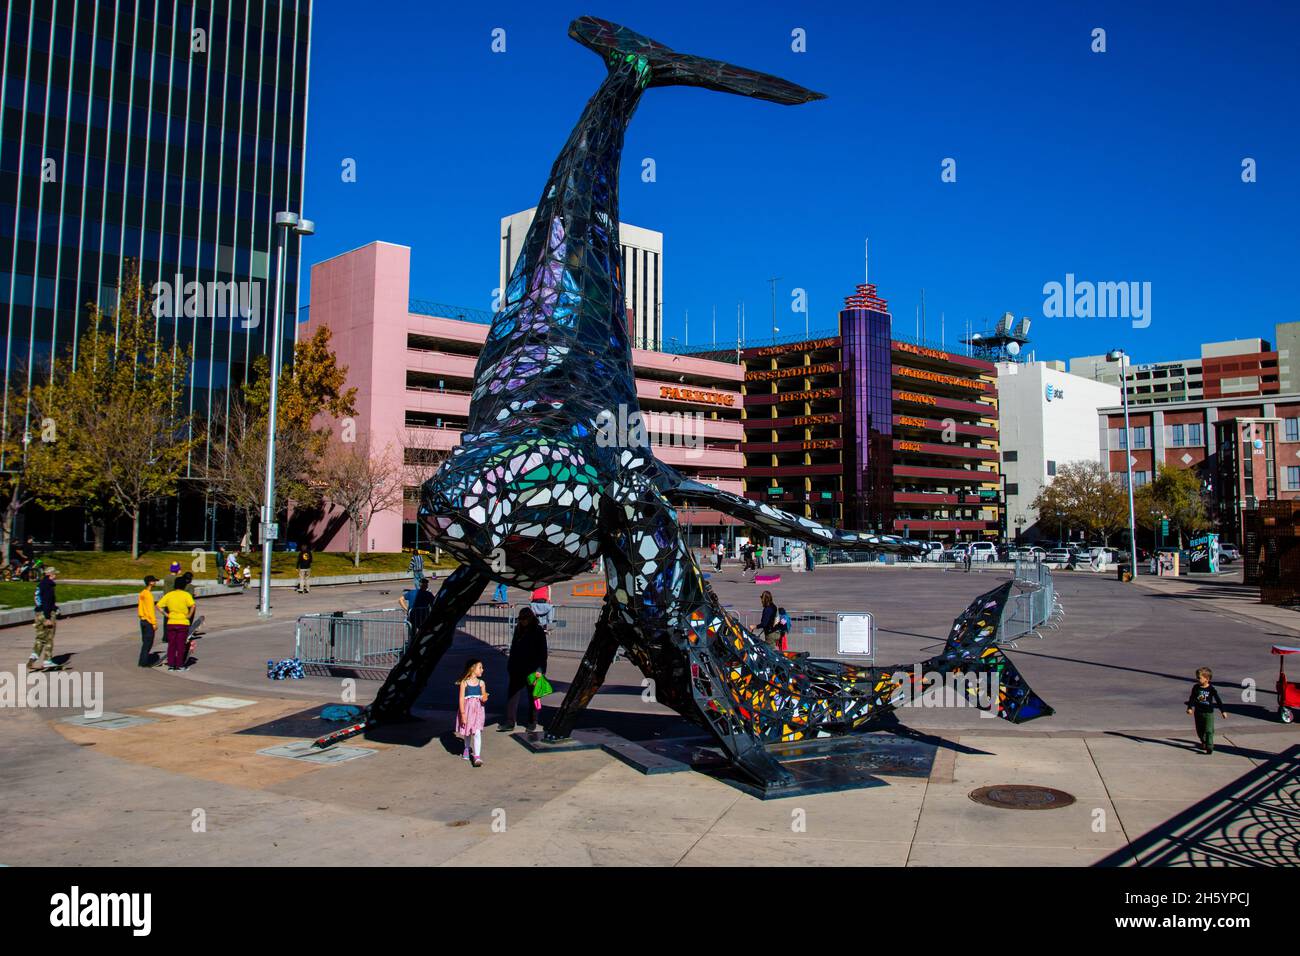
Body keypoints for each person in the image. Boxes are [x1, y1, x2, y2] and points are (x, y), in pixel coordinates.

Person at [499, 606, 548, 733]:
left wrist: (540, 669)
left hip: (532, 669)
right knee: (512, 695)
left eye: (524, 619)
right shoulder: (519, 629)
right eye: (521, 619)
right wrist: (510, 665)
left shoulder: (538, 631)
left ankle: (532, 722)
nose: (522, 621)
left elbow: (543, 652)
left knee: (534, 696)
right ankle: (510, 722)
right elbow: (515, 648)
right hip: (517, 668)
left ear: (530, 618)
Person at [157, 574, 197, 671]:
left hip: (171, 622)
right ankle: (179, 665)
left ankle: (171, 665)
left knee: (171, 645)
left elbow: (158, 606)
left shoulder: (169, 595)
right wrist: (189, 615)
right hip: (183, 622)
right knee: (180, 645)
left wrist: (166, 615)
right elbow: (193, 605)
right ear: (184, 585)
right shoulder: (186, 595)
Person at [455, 659, 489, 767]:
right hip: (468, 711)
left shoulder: (481, 683)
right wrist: (463, 714)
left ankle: (477, 756)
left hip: (478, 711)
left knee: (477, 732)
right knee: (468, 732)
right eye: (480, 667)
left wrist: (485, 698)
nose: (482, 670)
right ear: (472, 668)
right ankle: (466, 748)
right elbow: (461, 699)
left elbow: (484, 697)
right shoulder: (464, 683)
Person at [1186, 667, 1228, 754]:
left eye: (1199, 678)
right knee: (1200, 730)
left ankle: (1209, 746)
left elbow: (1218, 700)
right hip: (1198, 712)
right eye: (1197, 677)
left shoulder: (1211, 689)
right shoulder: (1196, 687)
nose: (1197, 679)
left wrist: (1223, 711)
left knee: (1209, 730)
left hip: (1209, 713)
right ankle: (1203, 740)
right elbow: (1192, 698)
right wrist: (1189, 707)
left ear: (1207, 679)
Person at [27, 566, 58, 671]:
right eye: (54, 574)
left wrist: (55, 607)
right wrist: (48, 618)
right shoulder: (48, 585)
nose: (56, 576)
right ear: (50, 575)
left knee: (40, 638)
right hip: (46, 614)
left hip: (38, 613)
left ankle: (32, 658)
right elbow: (47, 602)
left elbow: (39, 600)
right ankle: (47, 660)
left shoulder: (40, 585)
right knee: (49, 637)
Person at [137, 575, 159, 667]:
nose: (155, 582)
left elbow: (140, 607)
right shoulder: (149, 595)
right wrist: (154, 623)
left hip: (142, 620)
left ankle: (142, 661)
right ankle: (145, 662)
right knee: (148, 643)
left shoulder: (142, 593)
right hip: (149, 621)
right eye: (154, 581)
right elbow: (151, 610)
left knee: (145, 642)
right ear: (150, 582)